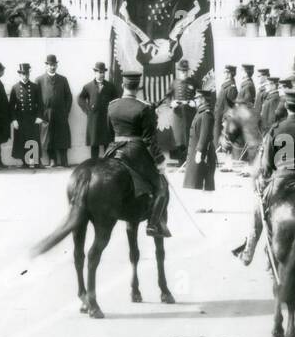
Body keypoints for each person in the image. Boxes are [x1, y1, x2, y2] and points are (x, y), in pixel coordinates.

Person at [105, 69, 170, 238]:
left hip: (113, 149)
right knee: (162, 187)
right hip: (135, 151)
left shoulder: (112, 105)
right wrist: (160, 161)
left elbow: (108, 131)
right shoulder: (144, 108)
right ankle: (153, 225)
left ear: (123, 85)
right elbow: (149, 140)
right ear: (139, 87)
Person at [37, 54, 73, 168]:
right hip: (46, 114)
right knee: (48, 137)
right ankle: (52, 160)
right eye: (50, 65)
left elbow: (69, 96)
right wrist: (41, 114)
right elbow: (36, 98)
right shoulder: (39, 80)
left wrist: (66, 111)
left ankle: (64, 160)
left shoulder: (63, 79)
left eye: (54, 65)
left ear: (56, 65)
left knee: (63, 136)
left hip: (61, 113)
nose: (52, 67)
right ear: (46, 66)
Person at [183, 87, 217, 201]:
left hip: (204, 151)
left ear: (203, 99)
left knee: (205, 178)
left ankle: (207, 205)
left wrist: (200, 151)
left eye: (197, 98)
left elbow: (205, 134)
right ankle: (204, 205)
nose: (196, 100)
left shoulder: (206, 114)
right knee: (200, 177)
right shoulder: (201, 112)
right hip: (200, 150)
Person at [77, 62, 117, 160]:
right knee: (94, 142)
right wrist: (87, 110)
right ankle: (94, 163)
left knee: (107, 142)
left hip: (106, 119)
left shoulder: (110, 86)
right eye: (99, 72)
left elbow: (116, 100)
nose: (102, 74)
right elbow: (80, 98)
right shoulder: (88, 86)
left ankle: (107, 162)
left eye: (103, 72)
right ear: (95, 73)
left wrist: (112, 110)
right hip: (94, 119)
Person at [10, 62, 45, 168]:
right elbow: (11, 106)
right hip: (20, 119)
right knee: (22, 140)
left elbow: (40, 104)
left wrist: (39, 116)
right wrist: (14, 120)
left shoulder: (35, 87)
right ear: (20, 74)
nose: (25, 76)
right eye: (23, 74)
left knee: (33, 139)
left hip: (32, 118)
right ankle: (25, 162)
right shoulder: (15, 87)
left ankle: (36, 161)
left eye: (27, 74)